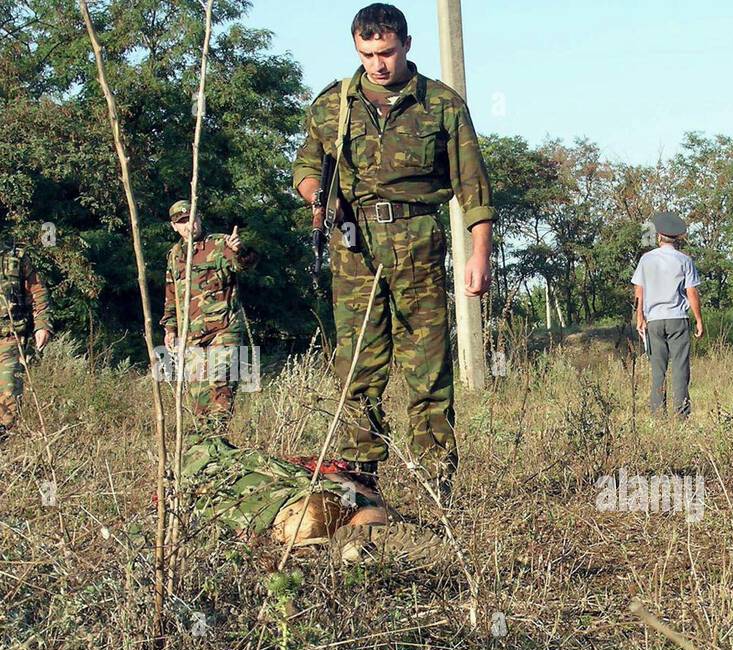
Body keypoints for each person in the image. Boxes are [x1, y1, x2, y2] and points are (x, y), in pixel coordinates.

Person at [291, 3, 496, 500]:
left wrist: (480, 253)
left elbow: (473, 186)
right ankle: (361, 485)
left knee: (427, 366)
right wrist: (320, 196)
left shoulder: (442, 104)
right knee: (358, 364)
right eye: (367, 54)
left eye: (386, 52)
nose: (377, 64)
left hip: (418, 240)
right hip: (353, 244)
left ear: (406, 45)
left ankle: (436, 482)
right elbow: (304, 168)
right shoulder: (332, 105)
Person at [180, 435, 439, 563]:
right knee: (358, 499)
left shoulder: (196, 485)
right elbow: (324, 477)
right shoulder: (237, 464)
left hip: (287, 514)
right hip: (306, 498)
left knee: (345, 500)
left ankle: (352, 540)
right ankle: (374, 526)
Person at [161, 200, 253, 432]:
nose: (187, 225)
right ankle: (206, 446)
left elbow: (244, 263)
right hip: (191, 336)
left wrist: (239, 250)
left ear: (199, 218)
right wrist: (170, 328)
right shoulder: (174, 255)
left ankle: (218, 436)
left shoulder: (220, 244)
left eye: (191, 218)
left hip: (223, 331)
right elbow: (171, 293)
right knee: (199, 398)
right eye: (181, 222)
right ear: (174, 226)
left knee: (221, 383)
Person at [632, 211, 702, 417]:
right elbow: (691, 292)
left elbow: (639, 290)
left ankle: (657, 415)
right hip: (678, 319)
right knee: (680, 367)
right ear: (678, 237)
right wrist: (698, 319)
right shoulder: (684, 260)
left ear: (659, 235)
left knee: (657, 369)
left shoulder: (646, 259)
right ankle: (681, 414)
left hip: (653, 320)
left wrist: (639, 317)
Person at [0, 204, 52, 439]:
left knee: (9, 396)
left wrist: (42, 324)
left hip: (10, 338)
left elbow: (37, 291)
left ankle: (6, 449)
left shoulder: (16, 255)